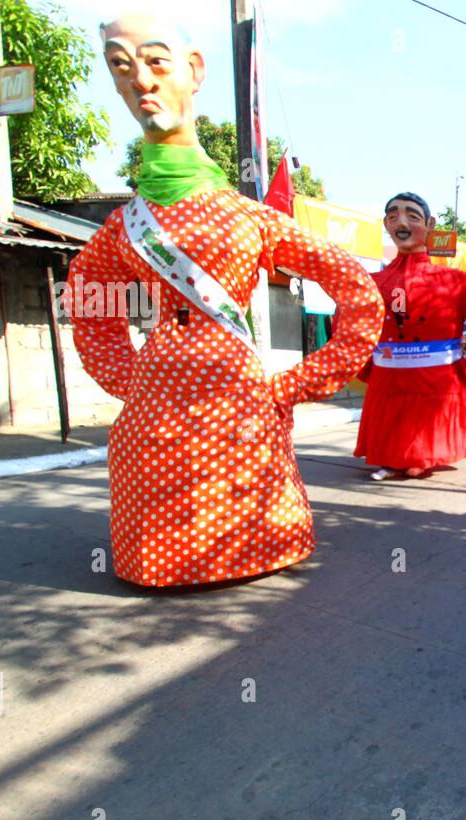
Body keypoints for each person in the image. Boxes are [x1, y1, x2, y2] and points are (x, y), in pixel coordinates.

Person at [64, 13, 383, 587]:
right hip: (153, 409)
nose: (141, 80)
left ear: (194, 71)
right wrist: (127, 379)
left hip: (242, 399)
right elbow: (90, 300)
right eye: (120, 66)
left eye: (157, 61)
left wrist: (296, 383)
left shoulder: (250, 218)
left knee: (254, 506)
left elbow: (357, 292)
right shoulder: (124, 226)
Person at [355, 192, 466, 481]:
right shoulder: (371, 283)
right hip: (388, 376)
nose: (402, 222)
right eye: (393, 216)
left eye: (412, 215)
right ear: (385, 224)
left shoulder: (458, 283)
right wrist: (365, 367)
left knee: (423, 421)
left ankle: (419, 457)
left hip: (438, 377)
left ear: (430, 224)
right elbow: (350, 328)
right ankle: (392, 457)